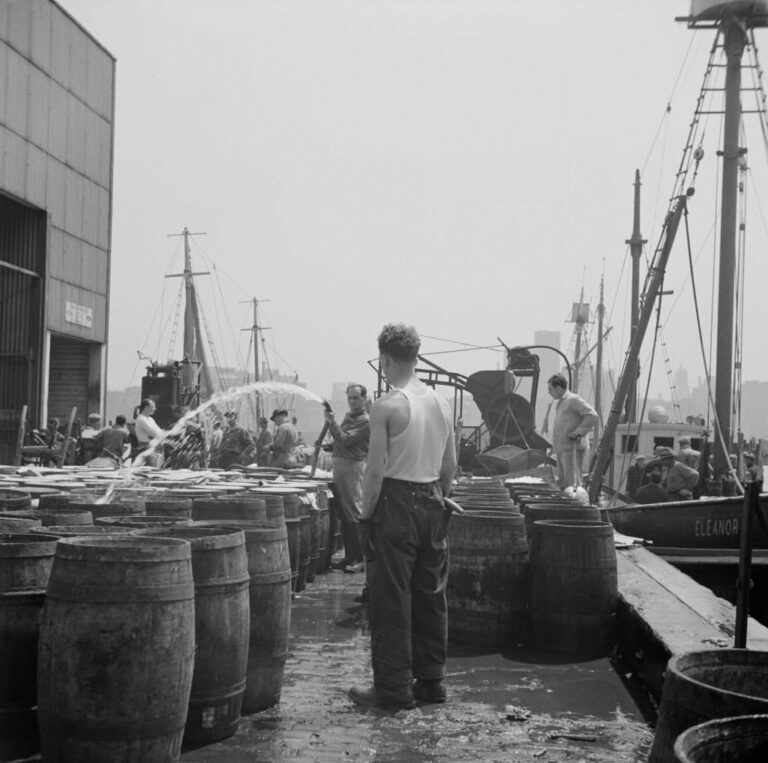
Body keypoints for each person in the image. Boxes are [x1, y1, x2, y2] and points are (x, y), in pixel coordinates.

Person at [348, 323, 456, 711]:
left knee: (392, 599)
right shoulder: (442, 404)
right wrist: (439, 496)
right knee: (431, 596)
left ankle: (393, 689)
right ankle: (431, 682)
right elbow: (450, 467)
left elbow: (374, 471)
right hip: (432, 501)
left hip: (396, 504)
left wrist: (365, 517)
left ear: (386, 359)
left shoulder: (387, 406)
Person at [325, 383, 371, 574]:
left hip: (352, 466)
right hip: (341, 464)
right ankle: (349, 556)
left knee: (354, 511)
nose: (352, 402)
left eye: (356, 398)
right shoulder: (349, 417)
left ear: (364, 399)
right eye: (350, 398)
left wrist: (332, 422)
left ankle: (359, 558)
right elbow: (342, 440)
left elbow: (344, 439)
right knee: (345, 513)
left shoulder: (365, 420)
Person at [546, 374, 598, 489]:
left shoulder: (573, 400)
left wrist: (578, 432)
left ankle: (575, 504)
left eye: (551, 389)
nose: (549, 392)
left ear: (558, 388)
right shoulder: (562, 402)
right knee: (564, 484)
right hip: (562, 449)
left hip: (572, 448)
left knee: (572, 484)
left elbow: (592, 415)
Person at [134, 398, 164, 466]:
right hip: (146, 448)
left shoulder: (150, 419)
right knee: (150, 469)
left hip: (152, 447)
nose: (155, 409)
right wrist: (161, 434)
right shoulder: (142, 419)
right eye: (153, 407)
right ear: (146, 407)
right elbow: (155, 433)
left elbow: (159, 431)